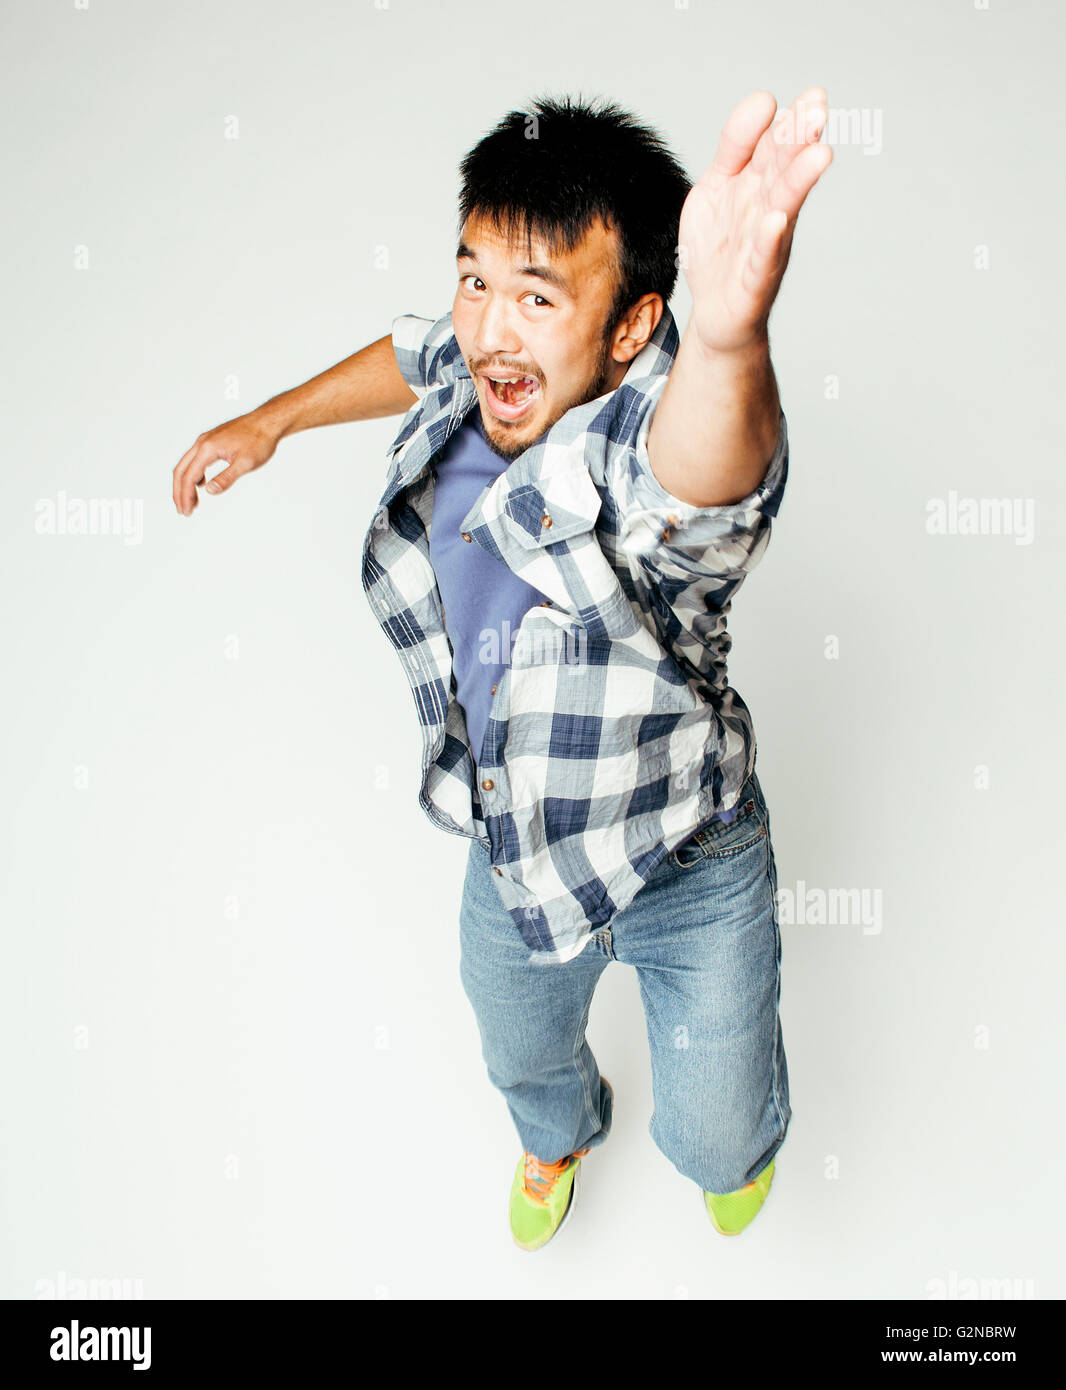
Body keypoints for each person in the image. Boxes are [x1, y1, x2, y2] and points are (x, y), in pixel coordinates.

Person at [173, 89, 832, 1252]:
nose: (489, 329)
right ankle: (558, 1138)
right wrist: (271, 421)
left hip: (688, 860)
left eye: (537, 296)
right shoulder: (483, 362)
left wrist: (729, 344)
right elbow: (412, 351)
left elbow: (701, 489)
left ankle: (734, 1144)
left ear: (629, 328)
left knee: (719, 1137)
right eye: (475, 279)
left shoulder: (643, 439)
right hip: (514, 840)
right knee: (521, 1054)